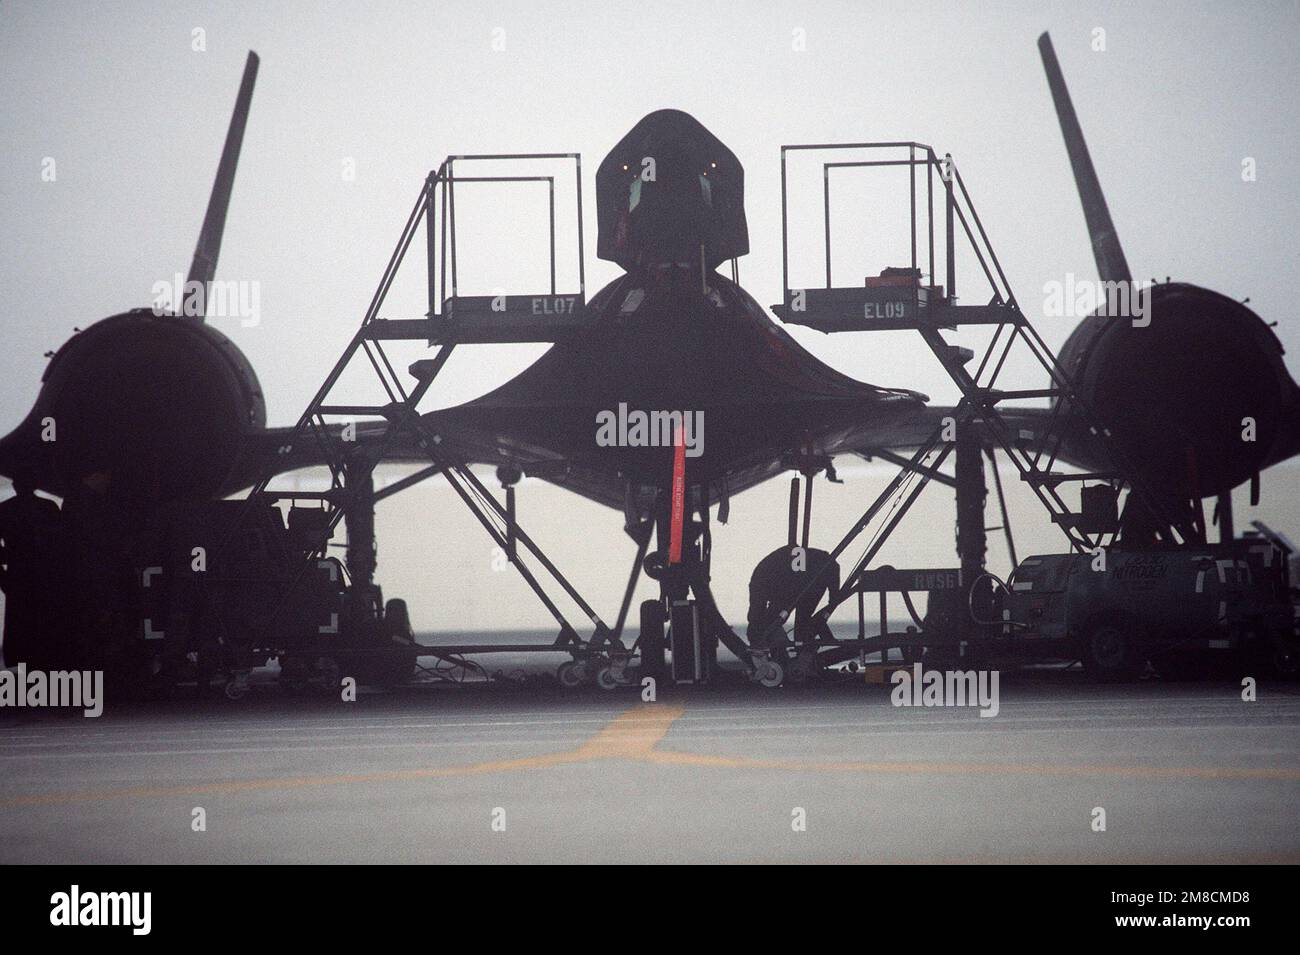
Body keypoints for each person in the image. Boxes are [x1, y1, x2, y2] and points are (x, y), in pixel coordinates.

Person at [0, 475, 64, 667]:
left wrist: (4, 577)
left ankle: (19, 658)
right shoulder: (48, 507)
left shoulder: (5, 509)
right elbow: (60, 544)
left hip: (18, 573)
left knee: (18, 622)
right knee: (44, 620)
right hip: (45, 574)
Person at [746, 544, 840, 663]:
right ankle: (802, 650)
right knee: (797, 623)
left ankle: (799, 652)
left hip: (810, 572)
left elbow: (766, 615)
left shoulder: (764, 582)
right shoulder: (765, 581)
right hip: (814, 570)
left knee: (781, 620)